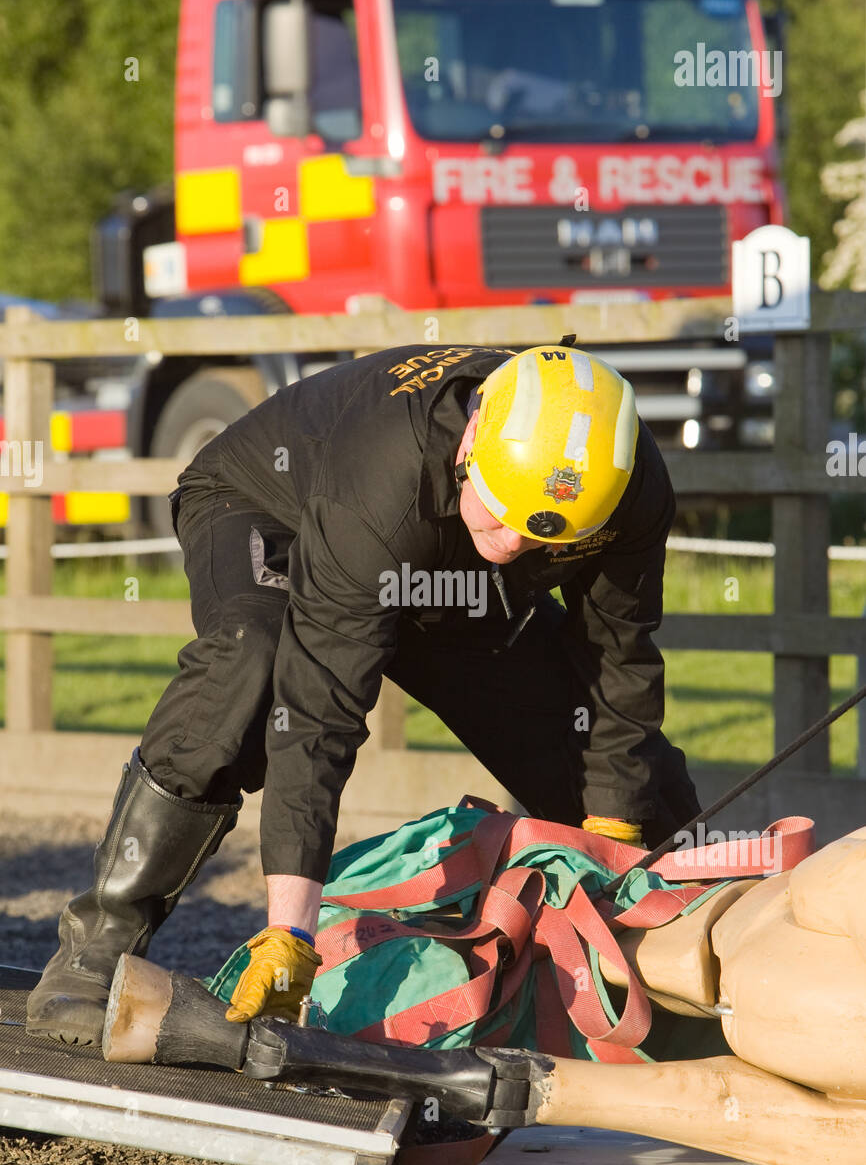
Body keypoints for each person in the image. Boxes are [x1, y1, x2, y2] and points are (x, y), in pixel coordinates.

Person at [27, 337, 700, 1046]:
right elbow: (316, 712)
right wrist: (290, 933)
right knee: (251, 665)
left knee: (600, 760)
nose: (506, 541)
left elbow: (617, 658)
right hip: (270, 509)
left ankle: (693, 968)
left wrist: (617, 842)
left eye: (534, 537)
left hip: (445, 574)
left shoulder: (622, 484)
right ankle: (97, 943)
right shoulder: (381, 477)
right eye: (498, 510)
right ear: (474, 435)